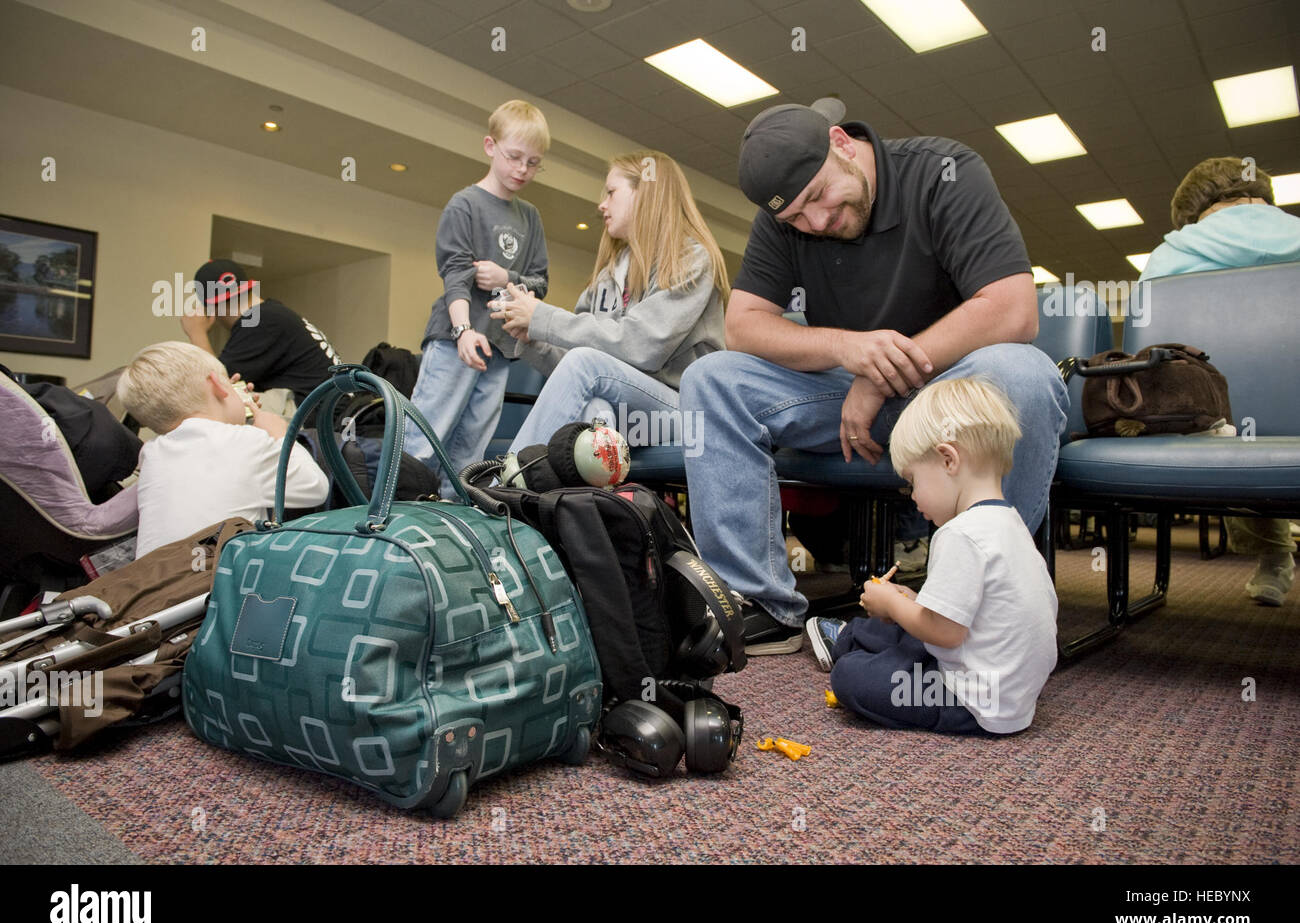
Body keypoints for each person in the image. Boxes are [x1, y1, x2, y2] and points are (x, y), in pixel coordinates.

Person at [679, 104, 1067, 655]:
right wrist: (849, 349)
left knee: (1023, 375)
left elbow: (1012, 309)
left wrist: (881, 377)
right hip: (845, 401)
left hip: (950, 393)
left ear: (841, 142)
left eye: (818, 197)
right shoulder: (785, 215)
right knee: (711, 379)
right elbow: (742, 327)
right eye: (796, 218)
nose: (814, 222)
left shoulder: (943, 170)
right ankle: (759, 602)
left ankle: (975, 609)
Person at [805, 377, 1058, 735]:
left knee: (850, 677)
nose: (912, 496)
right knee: (905, 624)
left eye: (913, 481)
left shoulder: (959, 533)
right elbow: (973, 615)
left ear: (948, 459)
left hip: (967, 702)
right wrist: (913, 601)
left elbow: (945, 633)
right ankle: (853, 639)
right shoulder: (1010, 524)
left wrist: (893, 607)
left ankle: (849, 645)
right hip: (1011, 694)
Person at [490, 150, 728, 456]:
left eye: (612, 192)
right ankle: (584, 504)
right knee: (594, 408)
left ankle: (506, 487)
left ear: (645, 194)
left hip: (686, 414)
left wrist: (543, 318)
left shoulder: (691, 259)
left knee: (588, 373)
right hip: (630, 413)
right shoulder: (609, 273)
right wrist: (535, 338)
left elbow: (641, 348)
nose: (602, 204)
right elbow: (575, 363)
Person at [1140, 156, 1300, 606]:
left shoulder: (1167, 256)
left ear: (1192, 209)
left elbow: (1154, 353)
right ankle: (1275, 560)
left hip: (1211, 420)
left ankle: (1273, 558)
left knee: (1231, 426)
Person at [404, 100, 551, 497]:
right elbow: (454, 276)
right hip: (457, 340)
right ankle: (391, 521)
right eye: (514, 157)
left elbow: (539, 285)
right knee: (425, 436)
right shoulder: (464, 204)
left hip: (500, 348)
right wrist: (463, 330)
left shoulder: (531, 217)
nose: (523, 169)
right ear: (490, 146)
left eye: (534, 162)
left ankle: (448, 527)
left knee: (472, 452)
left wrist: (507, 278)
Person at [116, 341, 329, 558]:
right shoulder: (248, 441)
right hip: (217, 587)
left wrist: (229, 409)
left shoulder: (152, 454)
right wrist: (281, 435)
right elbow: (315, 488)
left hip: (157, 584)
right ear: (217, 384)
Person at [181, 259, 343, 416]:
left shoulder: (260, 321)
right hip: (331, 409)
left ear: (212, 308)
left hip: (322, 415)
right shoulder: (270, 314)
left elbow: (218, 387)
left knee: (225, 408)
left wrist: (197, 333)